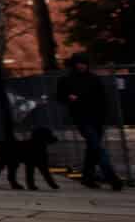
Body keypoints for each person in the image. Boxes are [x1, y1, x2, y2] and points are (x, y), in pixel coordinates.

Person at [54, 55, 126, 190]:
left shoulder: (94, 79)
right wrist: (68, 97)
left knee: (93, 147)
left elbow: (102, 98)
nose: (81, 66)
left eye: (83, 63)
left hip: (97, 117)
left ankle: (88, 176)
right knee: (97, 147)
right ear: (74, 65)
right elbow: (59, 96)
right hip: (81, 117)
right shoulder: (66, 80)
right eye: (79, 63)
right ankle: (111, 177)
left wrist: (104, 116)